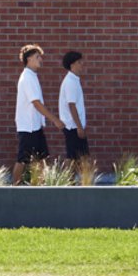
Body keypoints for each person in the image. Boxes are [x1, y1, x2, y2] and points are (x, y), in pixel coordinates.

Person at [11, 44, 64, 184]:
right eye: (37, 57)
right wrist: (54, 120)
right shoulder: (27, 78)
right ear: (29, 59)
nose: (41, 59)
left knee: (42, 159)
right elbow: (36, 103)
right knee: (22, 160)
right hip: (28, 127)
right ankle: (12, 189)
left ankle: (40, 188)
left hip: (36, 126)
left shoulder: (32, 76)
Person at [58, 50, 91, 184]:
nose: (82, 64)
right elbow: (72, 106)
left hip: (74, 126)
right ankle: (67, 182)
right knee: (75, 157)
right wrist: (79, 127)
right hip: (73, 127)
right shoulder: (70, 82)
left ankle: (71, 182)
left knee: (76, 157)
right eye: (79, 62)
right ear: (72, 65)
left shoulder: (73, 80)